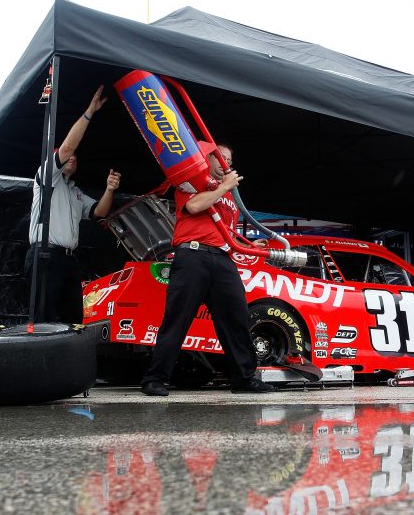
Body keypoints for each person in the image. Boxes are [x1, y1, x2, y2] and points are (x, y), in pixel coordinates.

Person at [141, 144, 275, 396]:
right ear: (208, 158)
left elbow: (224, 232)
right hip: (193, 255)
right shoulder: (192, 181)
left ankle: (244, 378)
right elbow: (194, 206)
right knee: (177, 319)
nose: (225, 163)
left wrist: (248, 246)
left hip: (222, 259)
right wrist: (223, 187)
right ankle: (155, 379)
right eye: (221, 157)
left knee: (236, 319)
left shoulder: (231, 198)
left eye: (229, 160)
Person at [25, 85, 121, 324]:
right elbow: (68, 147)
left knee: (74, 321)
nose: (72, 158)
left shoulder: (75, 192)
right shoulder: (47, 176)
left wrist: (109, 189)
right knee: (43, 320)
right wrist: (89, 112)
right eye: (69, 157)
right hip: (45, 254)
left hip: (68, 259)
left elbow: (99, 211)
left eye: (76, 159)